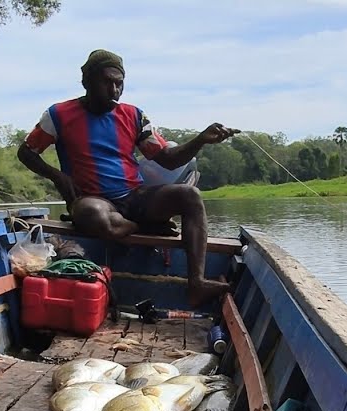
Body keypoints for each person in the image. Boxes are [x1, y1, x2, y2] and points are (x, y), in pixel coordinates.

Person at [17, 49, 238, 306]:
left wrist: (200, 140)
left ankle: (196, 284)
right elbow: (26, 152)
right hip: (94, 199)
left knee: (189, 195)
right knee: (93, 214)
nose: (114, 90)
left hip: (135, 196)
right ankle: (143, 226)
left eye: (119, 83)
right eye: (107, 82)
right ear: (87, 81)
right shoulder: (58, 114)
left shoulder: (134, 116)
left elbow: (168, 158)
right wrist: (57, 176)